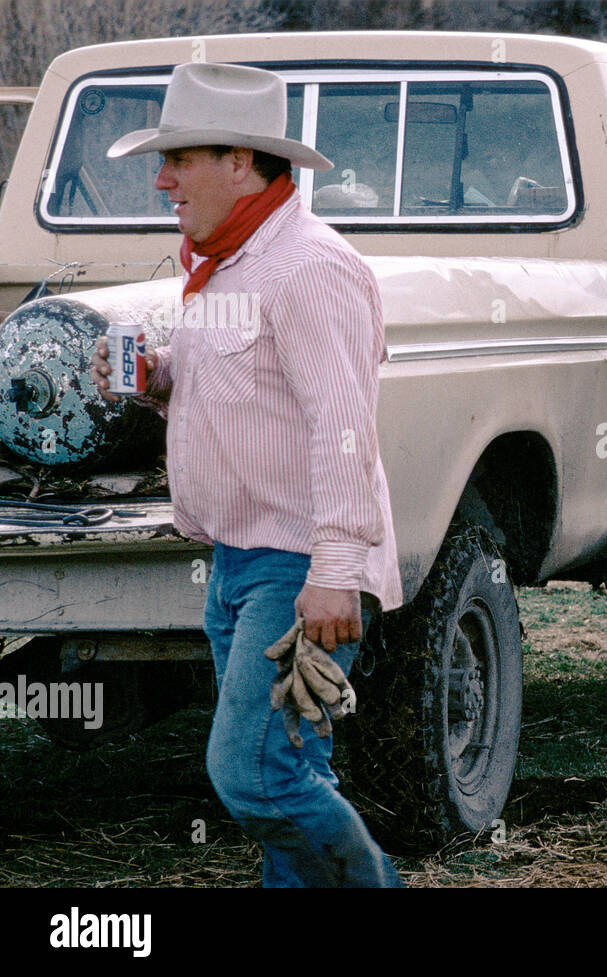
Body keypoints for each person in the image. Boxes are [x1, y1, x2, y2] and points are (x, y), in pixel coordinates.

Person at [92, 62, 404, 885]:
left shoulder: (307, 267)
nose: (162, 180)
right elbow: (245, 391)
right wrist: (155, 377)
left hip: (296, 565)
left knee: (251, 775)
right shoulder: (222, 261)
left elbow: (344, 430)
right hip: (239, 559)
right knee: (291, 773)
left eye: (179, 159)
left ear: (240, 162)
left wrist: (336, 571)